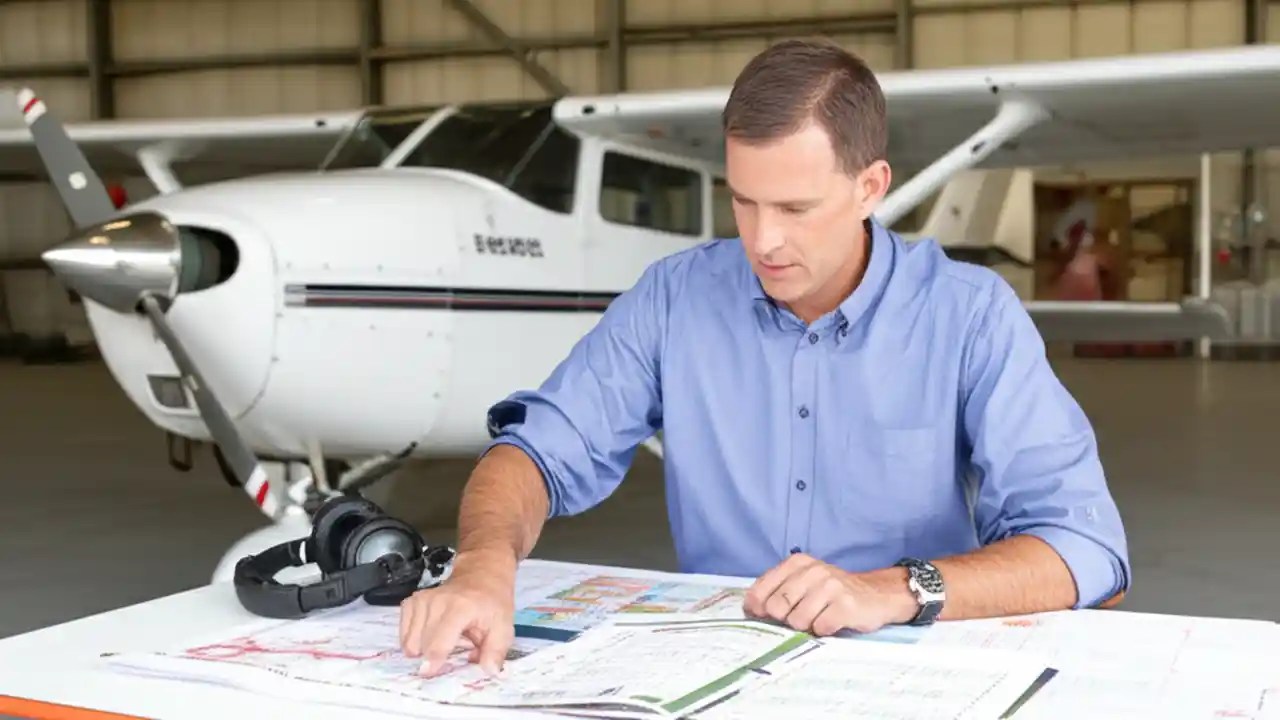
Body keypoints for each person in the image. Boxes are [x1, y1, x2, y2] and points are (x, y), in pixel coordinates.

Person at [398, 38, 1131, 676]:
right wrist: (483, 566)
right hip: (712, 669)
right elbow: (533, 453)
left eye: (794, 209)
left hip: (912, 672)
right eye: (743, 202)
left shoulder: (970, 314)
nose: (762, 241)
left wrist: (890, 589)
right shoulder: (675, 298)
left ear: (870, 187)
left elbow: (1085, 550)